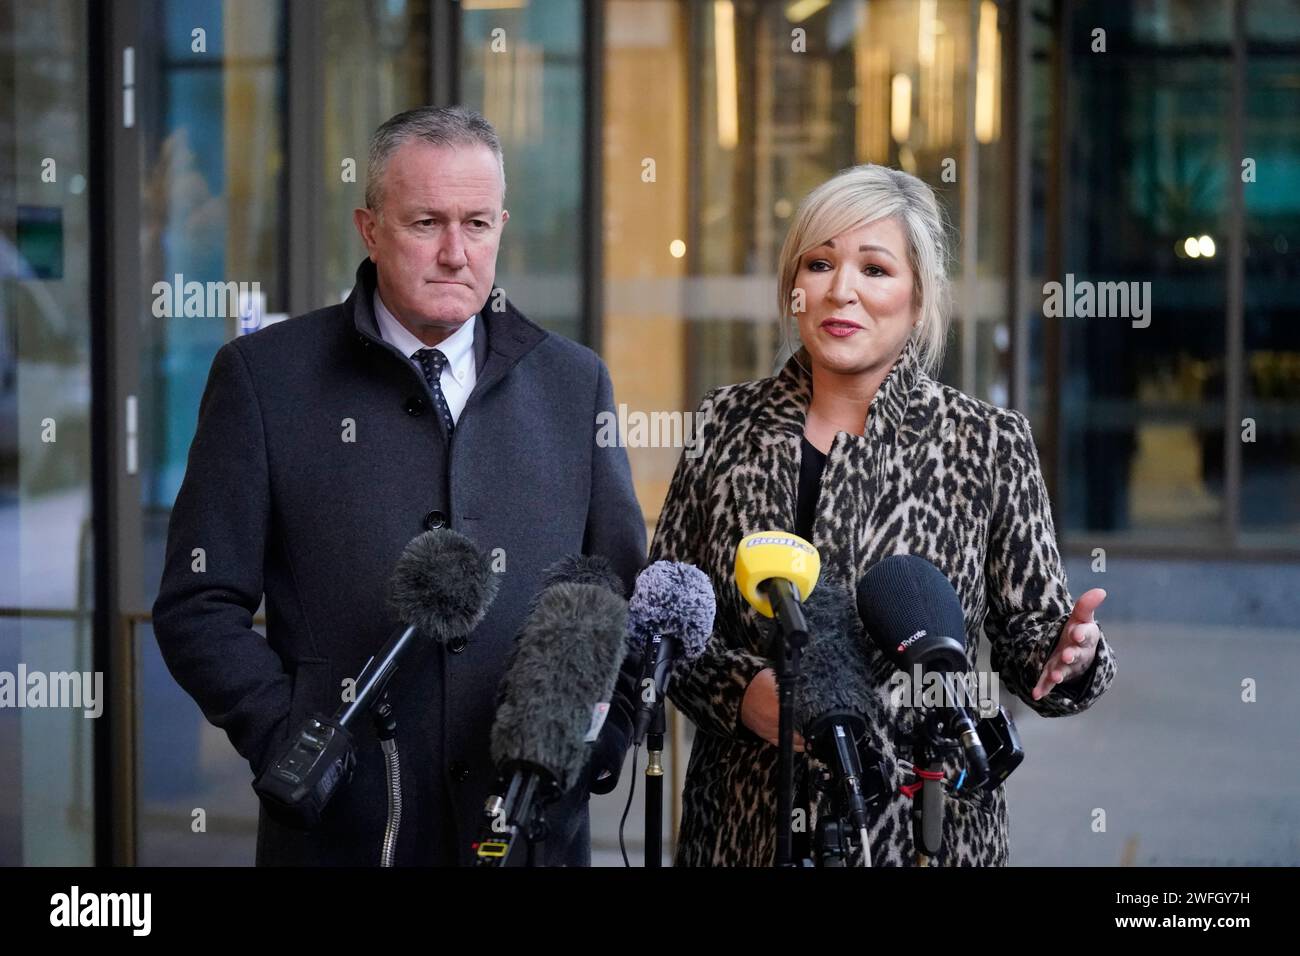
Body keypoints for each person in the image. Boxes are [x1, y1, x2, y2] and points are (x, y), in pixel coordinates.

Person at [152, 106, 646, 866]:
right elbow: (197, 603)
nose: (456, 252)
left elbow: (621, 595)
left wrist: (592, 752)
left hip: (529, 832)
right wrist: (291, 738)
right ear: (369, 227)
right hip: (340, 835)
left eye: (477, 224)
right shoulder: (263, 378)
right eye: (426, 223)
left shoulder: (575, 382)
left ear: (502, 226)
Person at [650, 163, 1117, 866]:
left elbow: (1032, 643)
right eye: (820, 263)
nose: (842, 291)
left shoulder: (987, 442)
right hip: (743, 831)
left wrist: (1068, 658)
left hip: (922, 834)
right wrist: (746, 694)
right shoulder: (726, 422)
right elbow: (666, 618)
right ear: (794, 288)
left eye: (874, 268)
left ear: (918, 297)